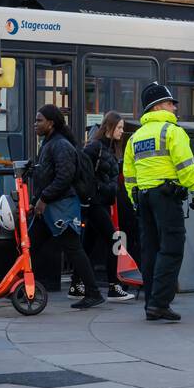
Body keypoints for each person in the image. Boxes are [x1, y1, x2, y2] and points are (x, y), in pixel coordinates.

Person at [123, 82, 194, 322]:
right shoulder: (172, 131)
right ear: (158, 106)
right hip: (167, 197)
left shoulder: (135, 137)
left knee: (150, 251)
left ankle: (151, 301)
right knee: (171, 249)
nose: (174, 108)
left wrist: (134, 199)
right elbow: (186, 166)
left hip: (144, 197)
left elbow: (129, 175)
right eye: (170, 103)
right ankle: (159, 304)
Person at [30, 104, 104, 310]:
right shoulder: (49, 143)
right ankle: (23, 287)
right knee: (30, 246)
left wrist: (43, 198)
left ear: (51, 123)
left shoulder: (59, 145)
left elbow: (64, 176)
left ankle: (94, 293)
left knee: (74, 249)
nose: (35, 124)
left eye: (39, 120)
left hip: (60, 207)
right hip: (49, 207)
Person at [71, 111, 134, 302]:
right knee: (115, 241)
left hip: (102, 202)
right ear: (109, 127)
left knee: (87, 245)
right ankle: (114, 286)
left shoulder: (110, 148)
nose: (122, 131)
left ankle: (76, 284)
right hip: (95, 202)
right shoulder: (95, 147)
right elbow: (81, 170)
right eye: (120, 127)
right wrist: (93, 190)